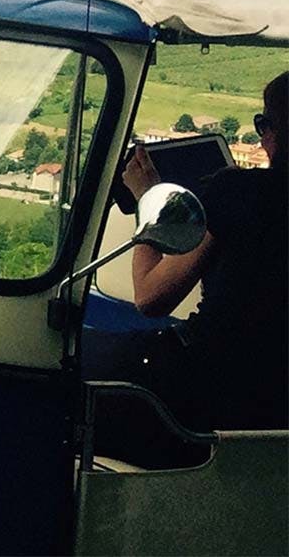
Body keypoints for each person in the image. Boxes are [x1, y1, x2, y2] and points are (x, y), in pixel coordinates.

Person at [108, 69, 287, 432]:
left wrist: (149, 199)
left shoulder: (240, 192)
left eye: (263, 123)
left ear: (274, 131)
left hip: (214, 385)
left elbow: (150, 298)